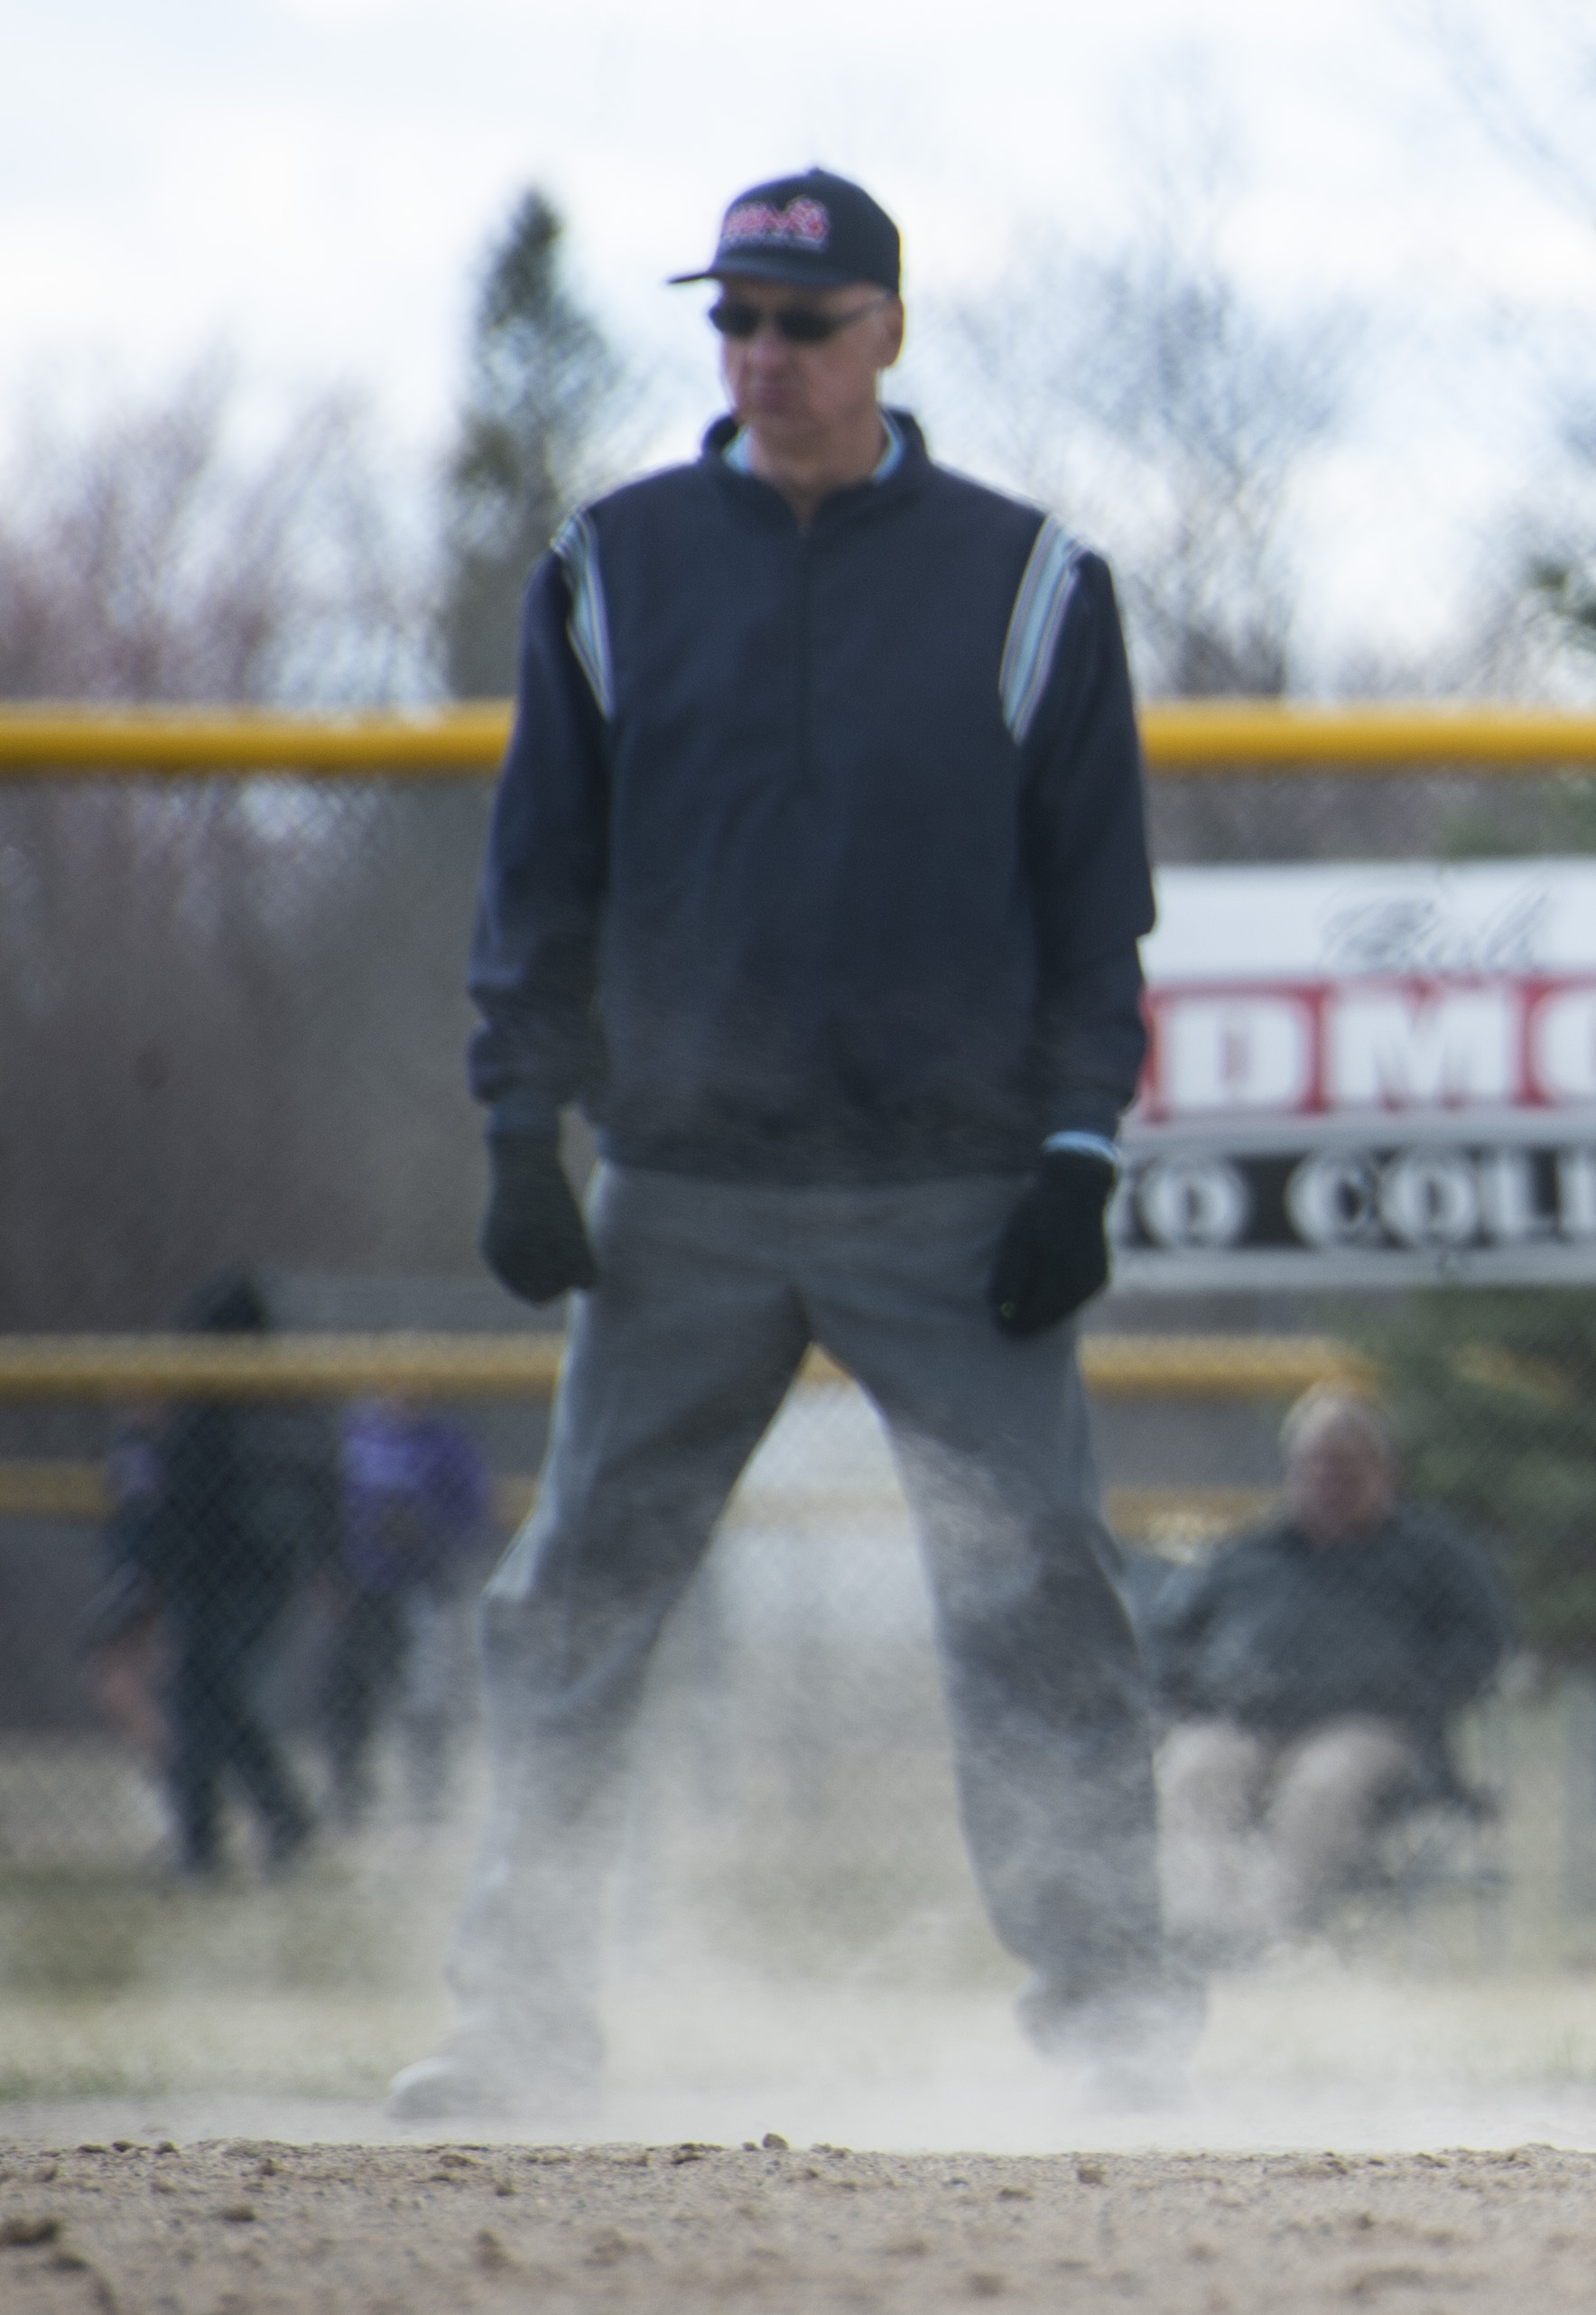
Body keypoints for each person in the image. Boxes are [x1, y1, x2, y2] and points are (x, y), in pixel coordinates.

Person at [394, 167, 1183, 2122]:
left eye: (806, 324)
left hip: (952, 1191)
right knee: (575, 1593)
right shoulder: (613, 563)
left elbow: (1098, 920)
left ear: (889, 333)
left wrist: (1079, 1153)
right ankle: (518, 2025)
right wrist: (518, 1128)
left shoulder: (1029, 581)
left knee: (1042, 1596)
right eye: (736, 321)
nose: (766, 358)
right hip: (684, 1188)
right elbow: (538, 885)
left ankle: (1113, 2021)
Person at [1127, 1385, 1513, 1961]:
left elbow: (1481, 1640)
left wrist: (1419, 1694)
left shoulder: (1429, 1557)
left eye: (1347, 1468)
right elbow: (1165, 1640)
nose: (1329, 1481)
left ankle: (1265, 1937)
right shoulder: (1246, 1555)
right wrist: (1184, 1694)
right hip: (1241, 1722)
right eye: (1315, 1466)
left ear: (1385, 1474)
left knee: (1320, 1785)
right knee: (1193, 1768)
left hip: (1369, 1728)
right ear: (1291, 1473)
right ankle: (1200, 1936)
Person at [124, 1271, 330, 1882]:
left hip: (243, 1579)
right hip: (224, 1577)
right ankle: (236, 1832)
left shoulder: (249, 1405)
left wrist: (154, 1581)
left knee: (211, 1699)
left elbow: (316, 1494)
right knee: (208, 1701)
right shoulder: (222, 1404)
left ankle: (212, 1842)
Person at [314, 1396, 494, 1830]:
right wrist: (328, 1570)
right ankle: (349, 1798)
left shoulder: (445, 1440)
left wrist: (425, 1530)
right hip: (360, 1587)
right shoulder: (354, 1433)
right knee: (345, 1694)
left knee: (421, 1698)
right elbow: (322, 1504)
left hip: (421, 1588)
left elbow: (474, 1515)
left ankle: (428, 1803)